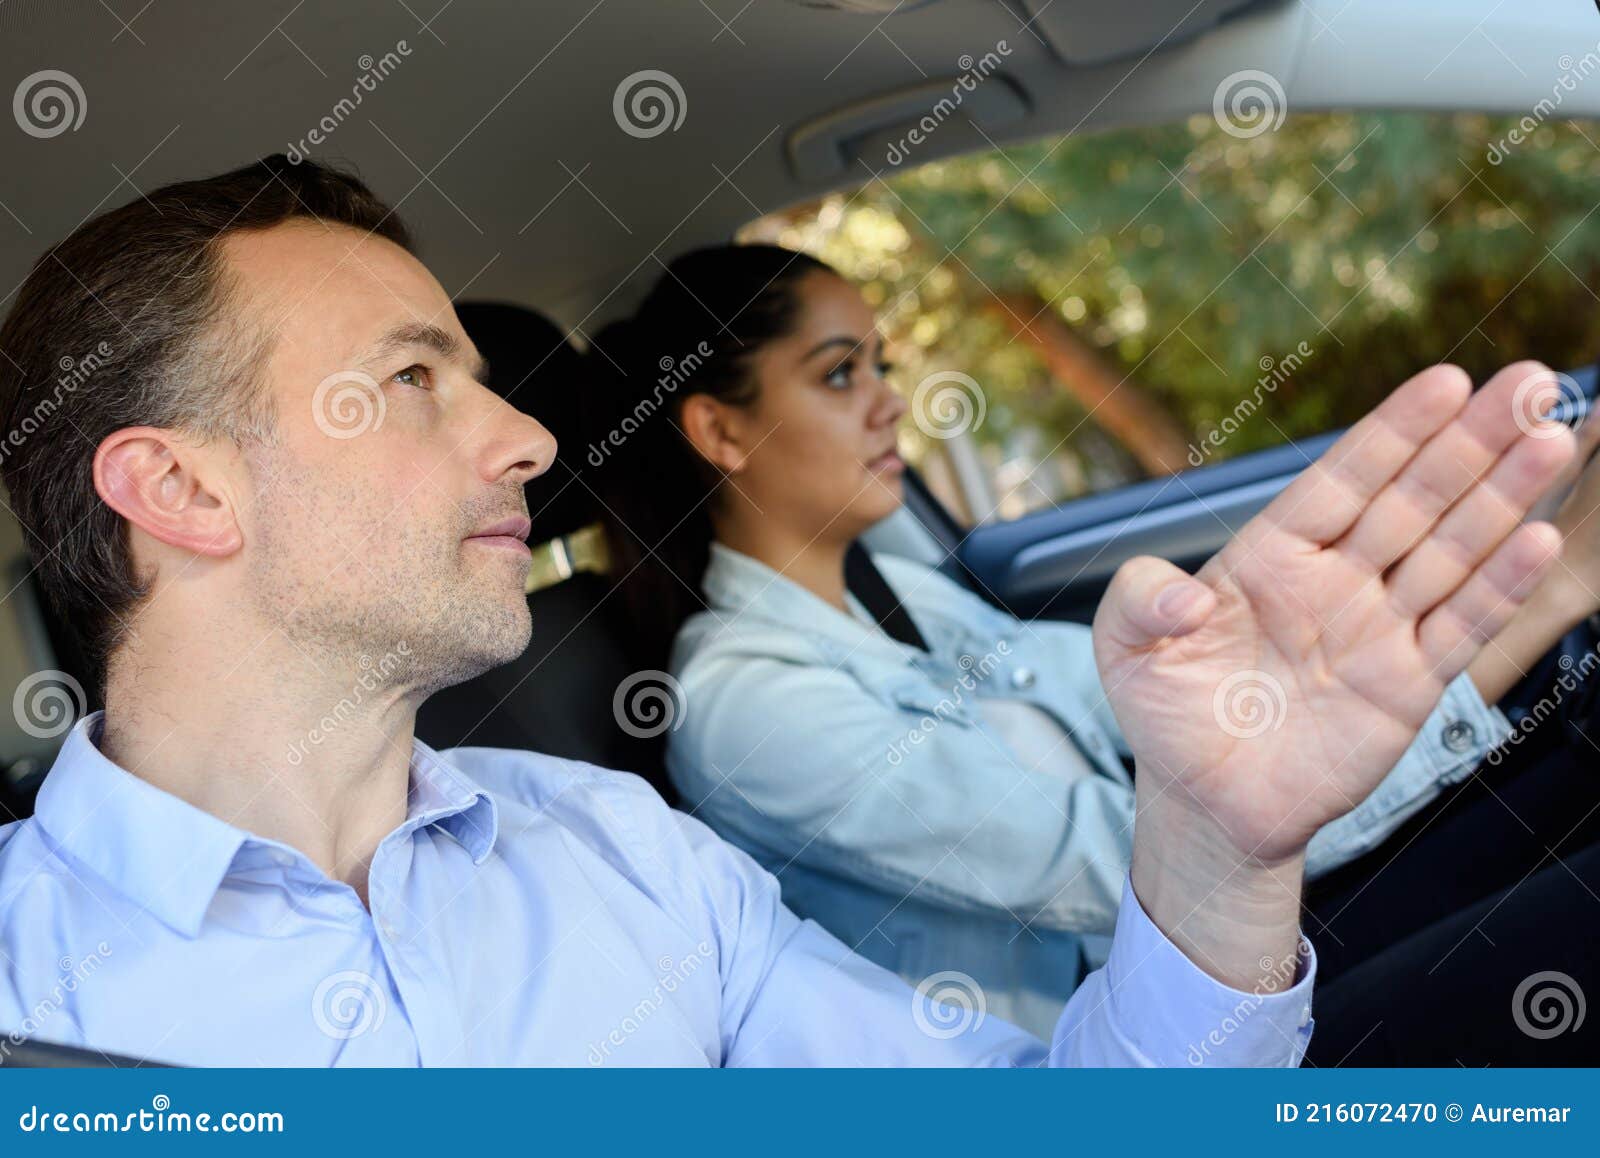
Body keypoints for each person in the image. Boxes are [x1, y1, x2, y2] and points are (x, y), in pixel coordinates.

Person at [0, 156, 1574, 1067]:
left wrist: (1222, 849)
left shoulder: (635, 861)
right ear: (182, 488)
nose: (532, 440)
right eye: (414, 378)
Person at [590, 245, 1600, 1046]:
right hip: (1132, 1041)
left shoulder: (899, 595)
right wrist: (1551, 593)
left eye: (881, 366)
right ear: (722, 433)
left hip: (1219, 939)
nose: (889, 399)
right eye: (840, 373)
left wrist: (1504, 568)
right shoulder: (744, 706)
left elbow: (1132, 705)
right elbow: (1127, 858)